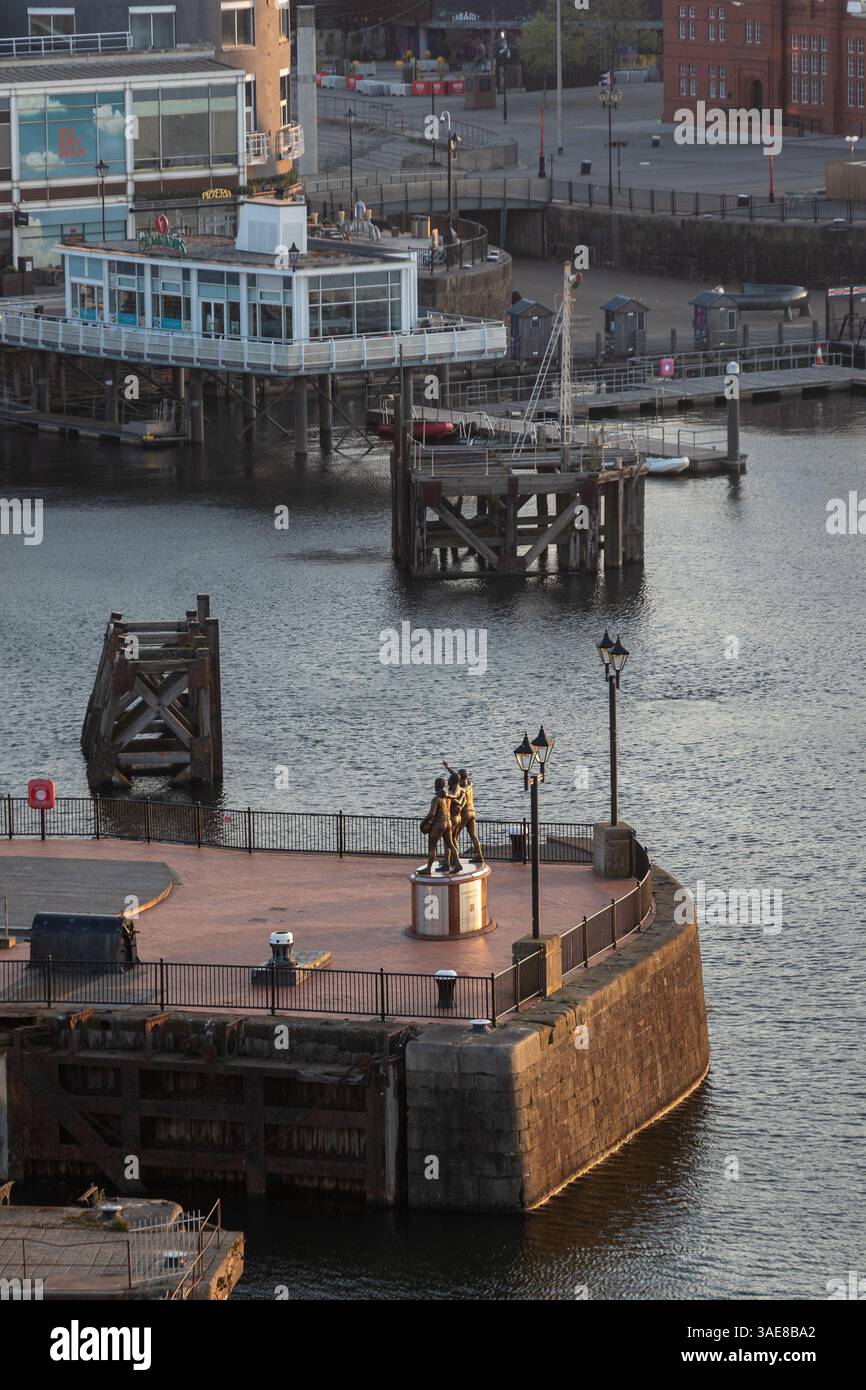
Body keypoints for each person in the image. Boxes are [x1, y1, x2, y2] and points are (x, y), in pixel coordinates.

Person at [443, 761, 484, 864]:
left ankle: (453, 858)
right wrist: (448, 767)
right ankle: (479, 855)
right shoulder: (469, 784)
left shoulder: (462, 788)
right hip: (472, 812)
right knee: (473, 835)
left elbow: (456, 779)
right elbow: (455, 775)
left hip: (464, 813)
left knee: (453, 835)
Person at [420, 776, 457, 873]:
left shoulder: (436, 799)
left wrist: (422, 823)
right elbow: (456, 798)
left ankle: (428, 868)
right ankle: (458, 864)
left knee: (432, 846)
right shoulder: (447, 797)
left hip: (439, 824)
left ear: (436, 786)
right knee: (451, 845)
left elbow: (431, 814)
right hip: (448, 822)